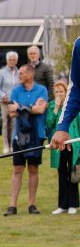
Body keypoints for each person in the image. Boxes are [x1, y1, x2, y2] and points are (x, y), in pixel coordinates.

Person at [6, 64, 49, 216]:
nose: (20, 75)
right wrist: (30, 107)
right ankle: (12, 205)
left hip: (36, 135)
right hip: (20, 136)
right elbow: (11, 113)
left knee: (33, 168)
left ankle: (32, 204)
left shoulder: (42, 90)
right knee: (18, 168)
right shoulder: (16, 90)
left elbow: (41, 109)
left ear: (30, 75)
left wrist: (21, 107)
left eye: (22, 73)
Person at [45, 81, 79, 215]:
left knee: (73, 173)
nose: (59, 94)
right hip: (59, 147)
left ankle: (73, 203)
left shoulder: (73, 106)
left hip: (72, 144)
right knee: (61, 173)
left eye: (61, 91)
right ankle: (62, 204)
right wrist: (55, 109)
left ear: (66, 92)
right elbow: (49, 124)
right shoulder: (53, 106)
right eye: (57, 92)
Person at [0, 51, 20, 154]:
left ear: (16, 61)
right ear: (7, 60)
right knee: (5, 123)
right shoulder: (1, 72)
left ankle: (13, 145)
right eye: (10, 60)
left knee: (14, 123)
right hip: (4, 101)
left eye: (14, 60)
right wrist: (3, 95)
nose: (12, 61)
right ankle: (5, 145)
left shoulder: (19, 72)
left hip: (15, 102)